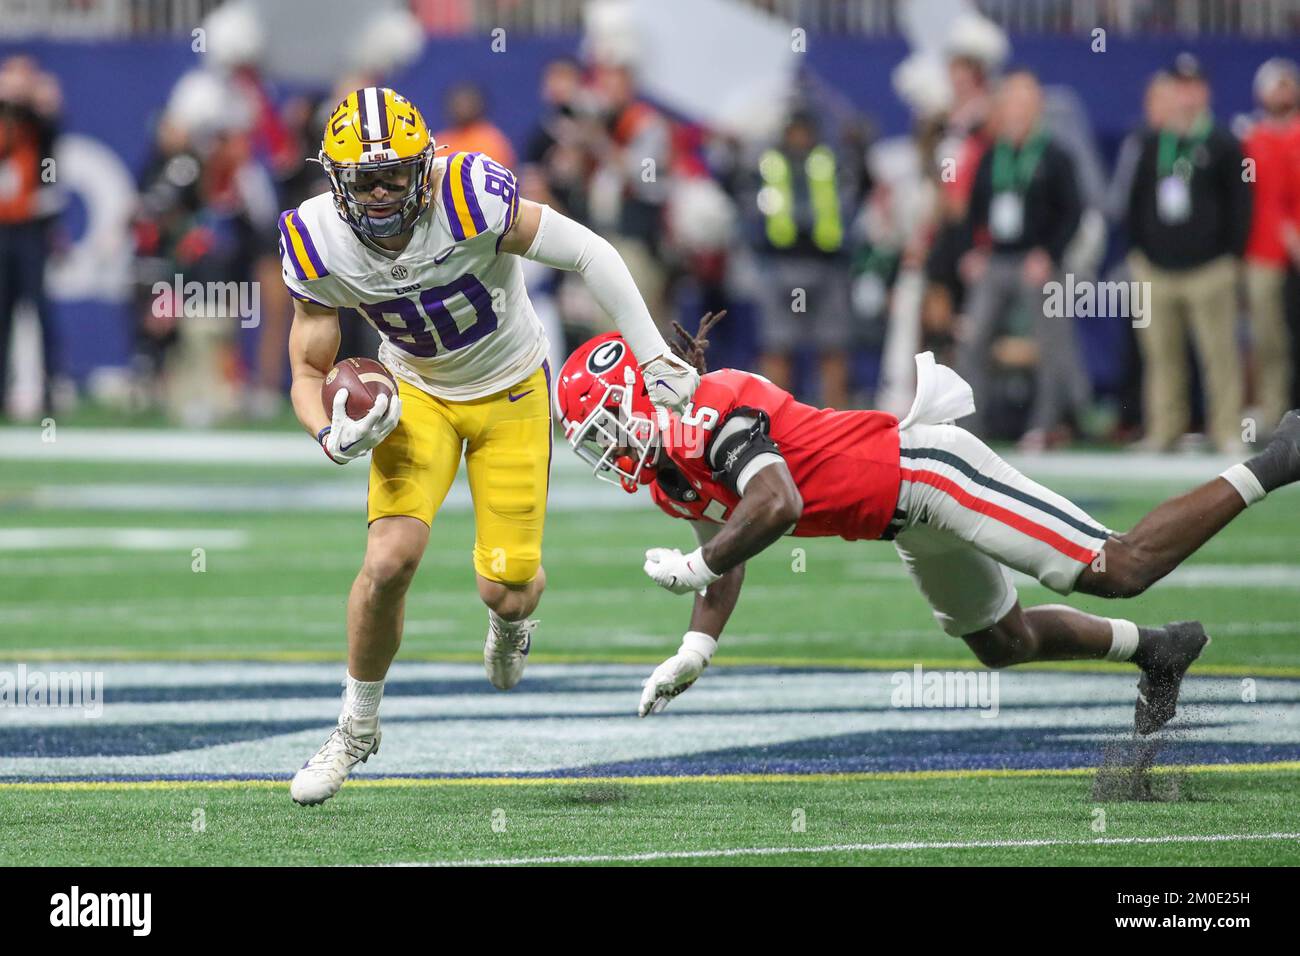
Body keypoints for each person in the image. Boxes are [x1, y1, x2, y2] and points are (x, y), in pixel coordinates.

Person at [555, 312, 1300, 728]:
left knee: (1119, 567)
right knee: (1003, 644)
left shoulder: (709, 403)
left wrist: (698, 567)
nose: (613, 448)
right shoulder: (667, 475)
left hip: (926, 474)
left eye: (610, 427)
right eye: (598, 443)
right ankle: (1158, 652)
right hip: (903, 520)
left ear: (640, 393)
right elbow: (731, 543)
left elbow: (774, 503)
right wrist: (697, 647)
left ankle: (1278, 457)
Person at [281, 87, 700, 805]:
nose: (381, 194)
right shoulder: (316, 236)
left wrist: (654, 354)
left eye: (394, 175)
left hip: (510, 390)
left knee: (506, 592)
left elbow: (590, 253)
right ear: (336, 179)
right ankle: (356, 725)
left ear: (425, 165)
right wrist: (329, 431)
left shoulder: (470, 195)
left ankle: (511, 625)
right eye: (364, 179)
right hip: (415, 392)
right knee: (387, 562)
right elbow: (307, 371)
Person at [1127, 53, 1253, 453]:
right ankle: (1164, 430)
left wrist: (1230, 256)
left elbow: (1241, 203)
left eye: (1192, 86)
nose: (1185, 95)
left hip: (1209, 268)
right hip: (1157, 269)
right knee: (1162, 358)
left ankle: (1226, 429)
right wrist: (1140, 254)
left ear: (1205, 91)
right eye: (1178, 87)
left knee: (1219, 355)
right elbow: (1135, 202)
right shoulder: (1152, 140)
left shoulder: (1222, 142)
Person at [957, 70, 1087, 448]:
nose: (1016, 113)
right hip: (997, 259)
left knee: (1052, 343)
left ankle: (1043, 425)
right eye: (1010, 105)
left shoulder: (1055, 155)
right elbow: (973, 211)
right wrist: (974, 251)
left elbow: (1073, 211)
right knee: (973, 336)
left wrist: (1049, 254)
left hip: (1038, 262)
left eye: (1023, 106)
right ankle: (968, 427)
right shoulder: (991, 155)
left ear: (1037, 110)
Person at [1241, 58, 1300, 438]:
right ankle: (1275, 413)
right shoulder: (1252, 139)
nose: (1281, 93)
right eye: (1274, 85)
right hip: (1263, 253)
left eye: (1286, 84)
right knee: (1268, 339)